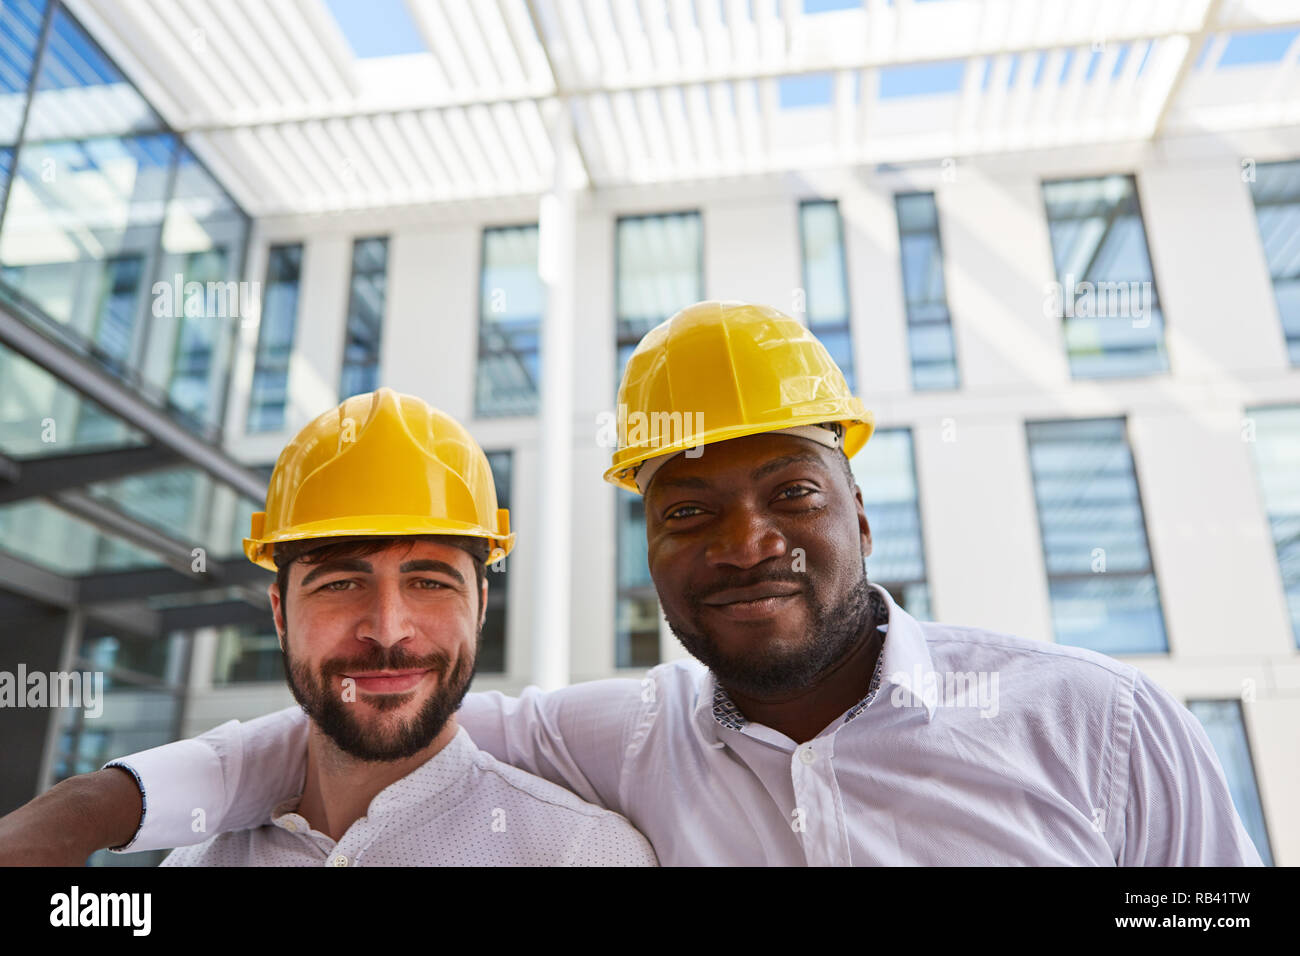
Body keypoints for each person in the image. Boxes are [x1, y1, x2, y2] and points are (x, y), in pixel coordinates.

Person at [0, 301, 1262, 866]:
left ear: (861, 511)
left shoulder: (1092, 722)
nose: (746, 539)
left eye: (792, 491)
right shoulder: (613, 737)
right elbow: (345, 728)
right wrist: (83, 813)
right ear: (649, 545)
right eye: (688, 510)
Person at [149, 388, 653, 866]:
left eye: (430, 584)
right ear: (280, 615)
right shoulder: (196, 860)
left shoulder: (582, 854)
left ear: (478, 608)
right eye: (340, 585)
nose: (388, 631)